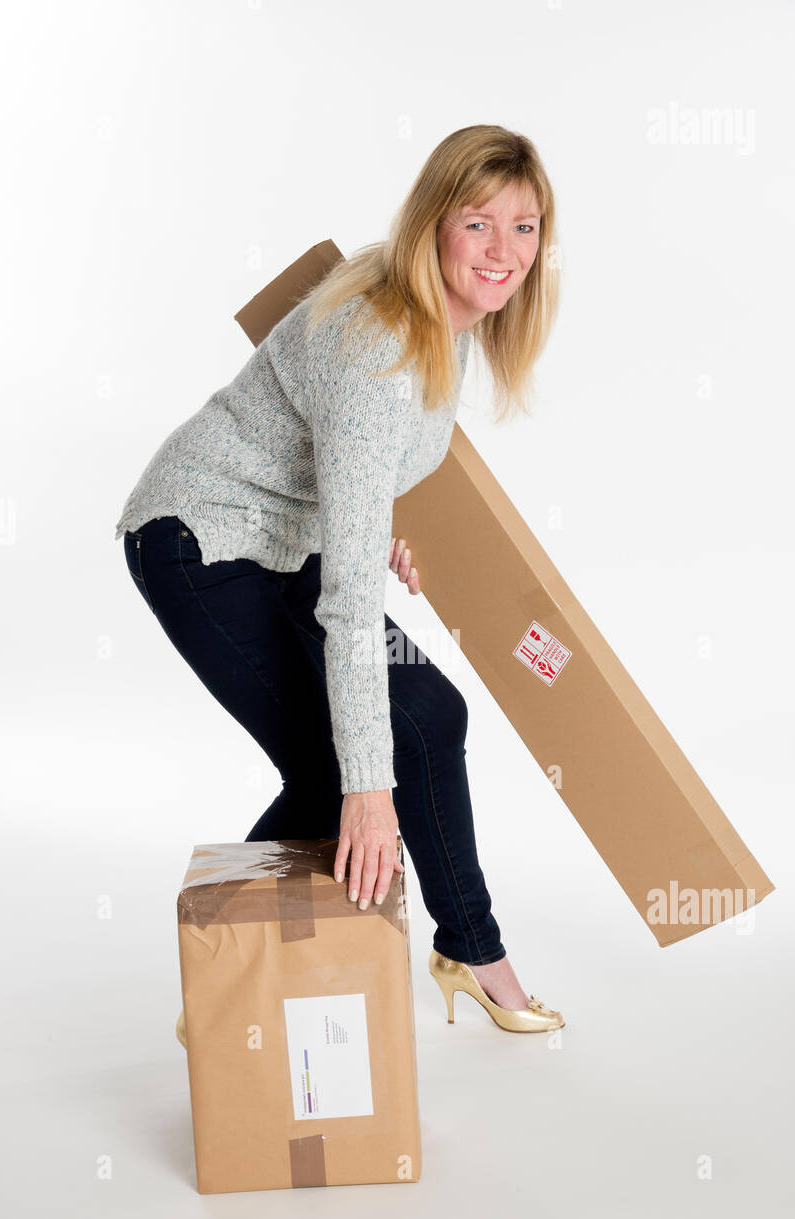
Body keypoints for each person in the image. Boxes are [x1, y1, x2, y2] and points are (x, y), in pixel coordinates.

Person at [115, 124, 565, 1033]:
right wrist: (371, 794)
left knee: (432, 716)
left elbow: (341, 452)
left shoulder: (445, 322)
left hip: (287, 538)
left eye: (524, 229)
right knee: (337, 771)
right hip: (200, 543)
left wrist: (363, 514)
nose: (502, 253)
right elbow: (353, 603)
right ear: (433, 224)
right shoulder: (383, 351)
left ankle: (465, 947)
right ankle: (222, 983)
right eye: (479, 224)